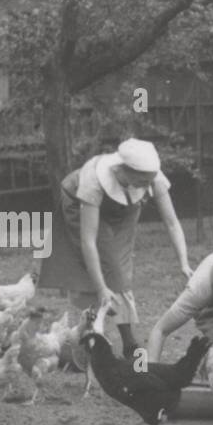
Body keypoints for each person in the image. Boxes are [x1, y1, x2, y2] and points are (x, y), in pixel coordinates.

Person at [38, 138, 193, 358]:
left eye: (151, 180)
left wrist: (184, 262)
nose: (149, 186)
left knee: (121, 266)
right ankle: (122, 340)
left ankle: (104, 336)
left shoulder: (149, 175)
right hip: (78, 201)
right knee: (108, 264)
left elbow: (172, 222)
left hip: (125, 205)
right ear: (124, 170)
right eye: (143, 181)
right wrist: (101, 287)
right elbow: (88, 241)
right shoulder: (93, 180)